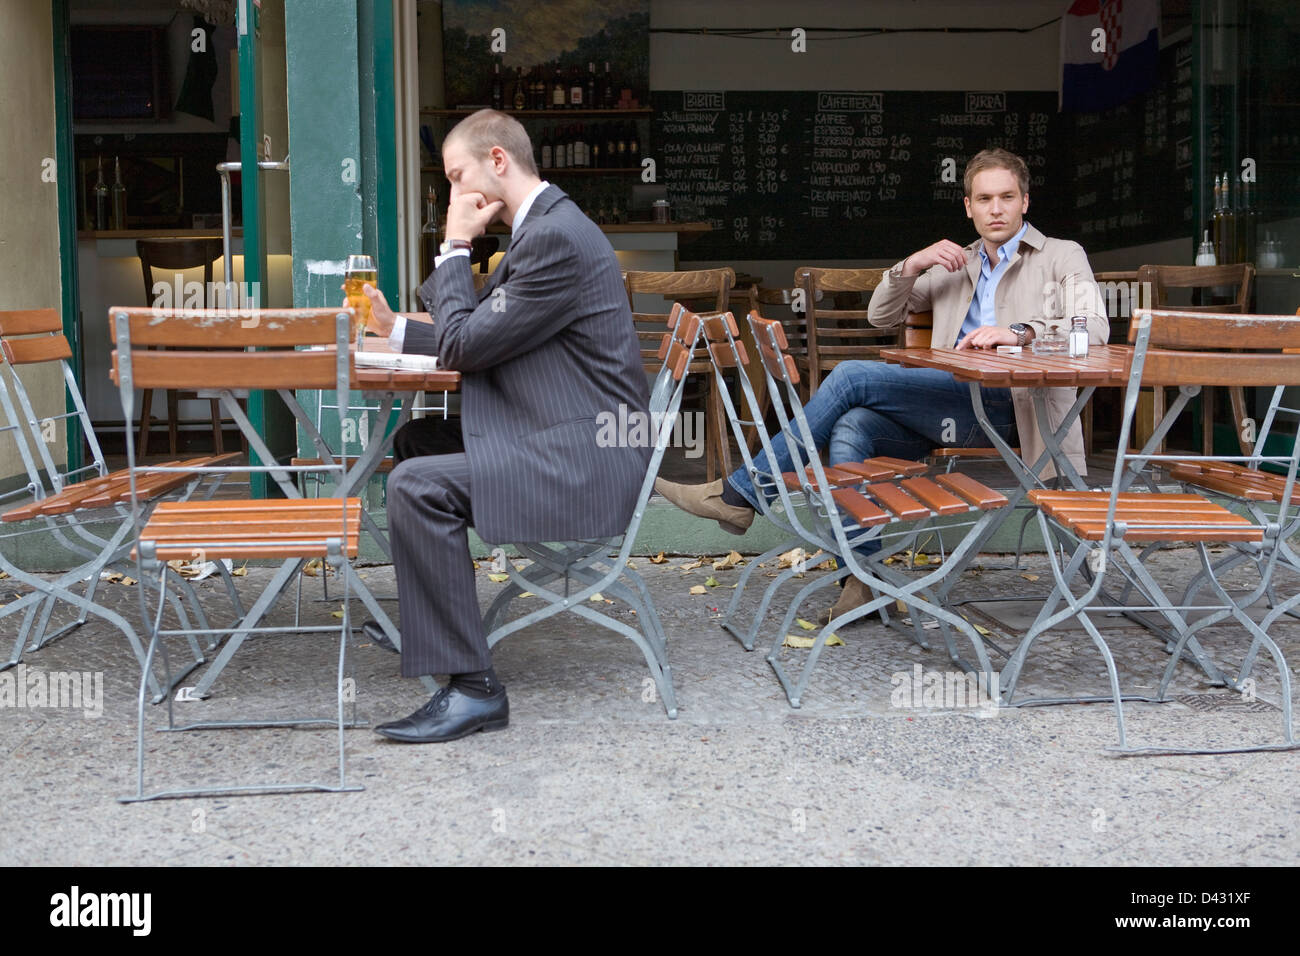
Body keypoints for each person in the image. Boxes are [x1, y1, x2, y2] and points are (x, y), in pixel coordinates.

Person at [656, 147, 1107, 618]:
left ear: (1025, 202)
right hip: (950, 404)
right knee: (853, 425)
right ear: (967, 206)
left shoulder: (1060, 255)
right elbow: (881, 315)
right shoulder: (961, 262)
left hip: (1012, 409)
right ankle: (863, 579)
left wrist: (1019, 333)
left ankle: (739, 494)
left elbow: (1095, 328)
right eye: (985, 198)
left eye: (1007, 197)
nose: (996, 208)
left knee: (851, 376)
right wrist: (911, 265)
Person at [355, 109, 650, 742]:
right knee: (418, 442)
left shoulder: (553, 238)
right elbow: (484, 334)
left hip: (585, 461)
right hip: (567, 435)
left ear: (496, 162)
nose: (454, 195)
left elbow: (464, 346)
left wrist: (456, 246)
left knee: (416, 485)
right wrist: (393, 328)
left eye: (458, 177)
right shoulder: (546, 229)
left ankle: (474, 689)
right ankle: (437, 623)